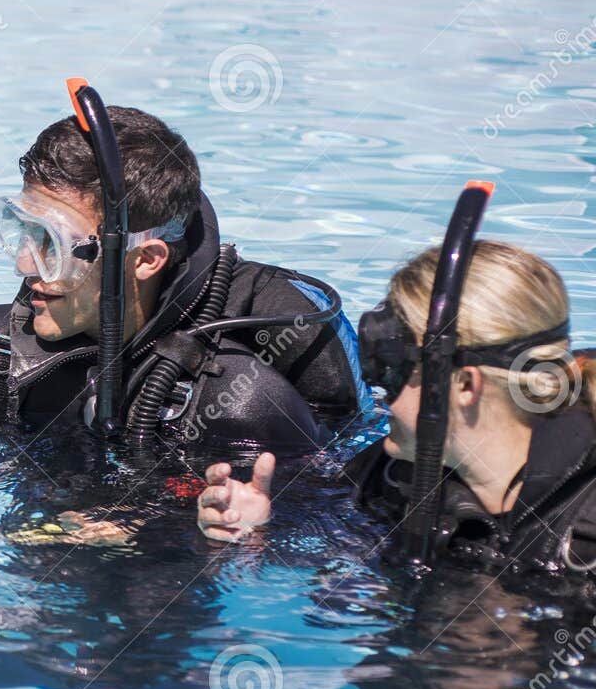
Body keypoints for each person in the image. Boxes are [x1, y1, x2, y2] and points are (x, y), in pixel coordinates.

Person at [0, 89, 363, 457]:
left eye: (54, 244)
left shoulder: (239, 402)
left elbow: (327, 544)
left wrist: (165, 524)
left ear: (146, 259)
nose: (24, 264)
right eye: (22, 230)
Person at [198, 238, 596, 586]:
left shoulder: (583, 519)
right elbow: (324, 555)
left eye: (397, 369)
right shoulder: (383, 478)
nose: (379, 390)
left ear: (465, 386)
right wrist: (256, 530)